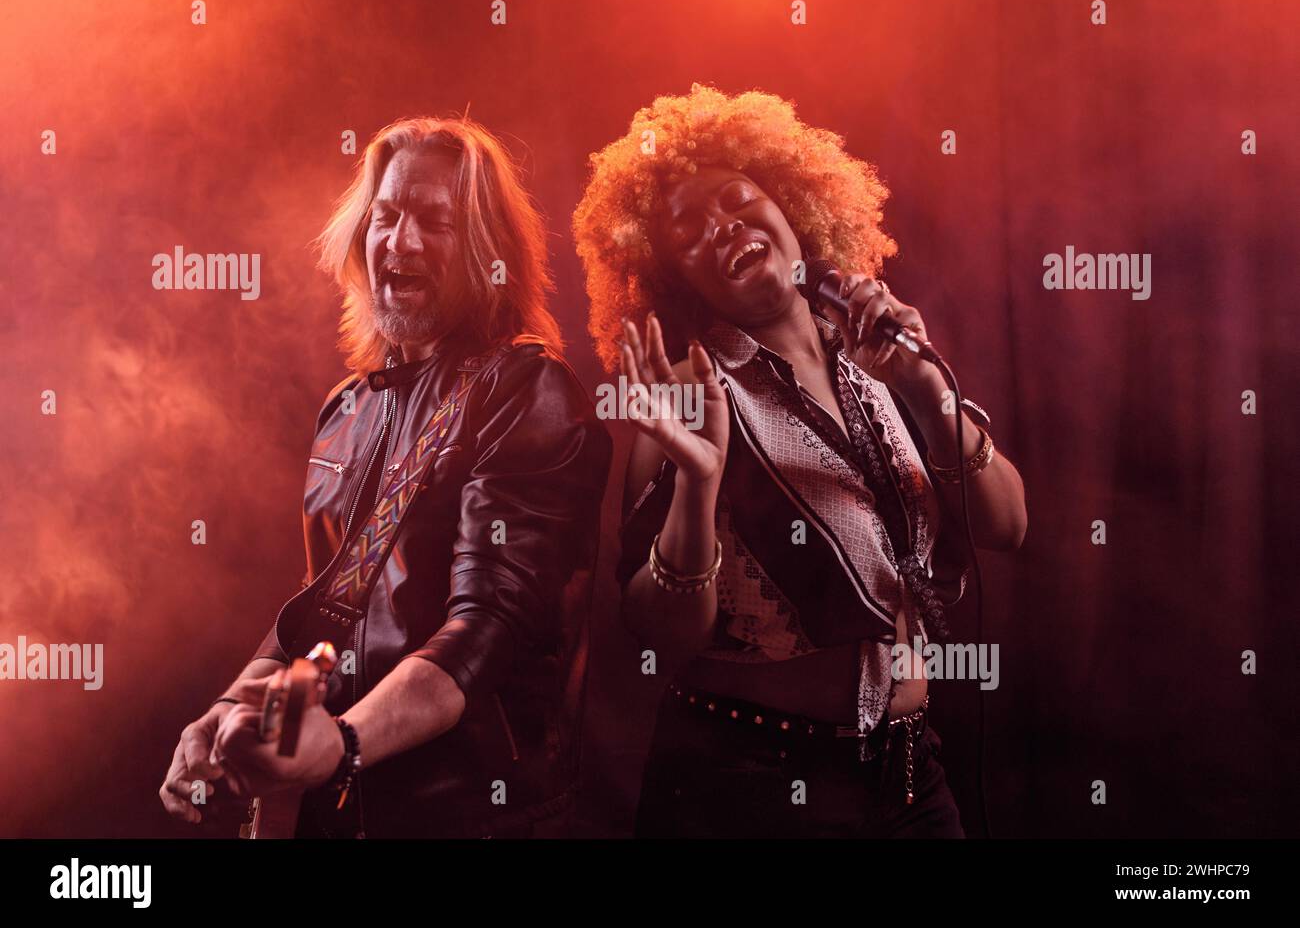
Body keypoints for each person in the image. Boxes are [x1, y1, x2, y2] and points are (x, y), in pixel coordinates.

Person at [573, 85, 1027, 837]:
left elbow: (1007, 523)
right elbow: (659, 631)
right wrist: (698, 483)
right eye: (688, 231)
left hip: (912, 776)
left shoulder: (878, 352)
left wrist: (921, 383)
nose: (721, 227)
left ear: (792, 206)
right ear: (672, 275)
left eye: (736, 199)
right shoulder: (686, 391)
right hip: (748, 790)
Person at [160, 117, 612, 838]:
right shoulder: (347, 406)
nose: (397, 243)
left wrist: (341, 747)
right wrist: (224, 713)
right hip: (345, 807)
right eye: (384, 216)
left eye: (435, 222)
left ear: (488, 251)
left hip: (475, 816)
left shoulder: (530, 392)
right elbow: (325, 623)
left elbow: (484, 631)